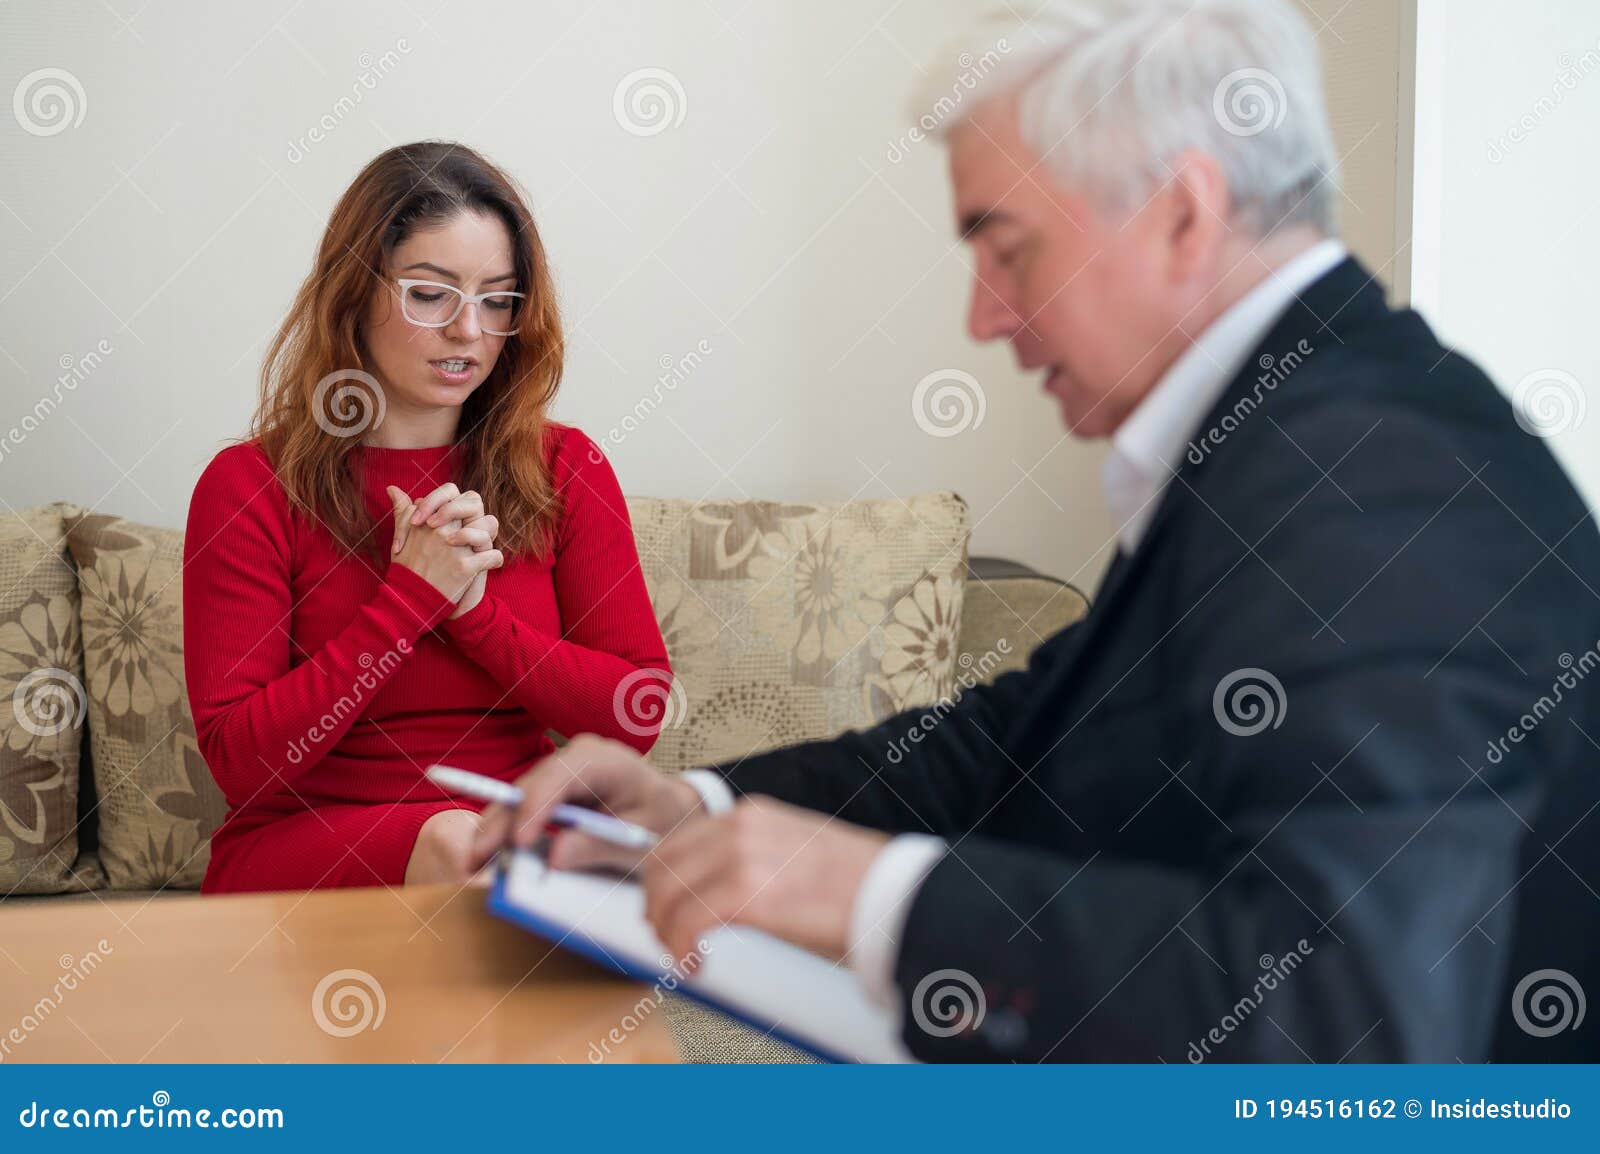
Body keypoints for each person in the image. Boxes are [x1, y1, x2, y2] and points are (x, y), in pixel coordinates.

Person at [470, 0, 1600, 1062]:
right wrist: (698, 807)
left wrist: (877, 898)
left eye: (1008, 248)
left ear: (1183, 214)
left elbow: (1346, 1019)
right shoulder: (1288, 432)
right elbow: (1021, 742)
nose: (984, 317)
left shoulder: (1374, 475)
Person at [183, 142, 670, 893]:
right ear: (356, 292)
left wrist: (476, 617)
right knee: (455, 842)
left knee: (525, 855)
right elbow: (242, 764)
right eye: (431, 294)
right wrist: (410, 599)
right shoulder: (249, 486)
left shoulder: (567, 468)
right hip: (308, 845)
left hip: (507, 835)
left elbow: (636, 717)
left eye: (496, 300)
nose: (469, 330)